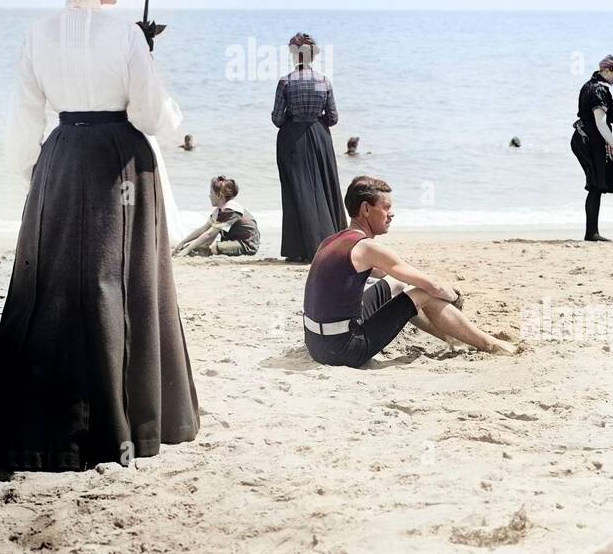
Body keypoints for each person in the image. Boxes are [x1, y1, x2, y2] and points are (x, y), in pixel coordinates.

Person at [0, 0, 199, 472]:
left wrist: (36, 175)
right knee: (122, 282)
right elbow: (152, 116)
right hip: (118, 158)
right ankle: (126, 424)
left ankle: (45, 424)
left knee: (53, 289)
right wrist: (156, 81)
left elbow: (25, 118)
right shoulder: (126, 33)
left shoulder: (38, 33)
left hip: (62, 156)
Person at [302, 176, 518, 368]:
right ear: (366, 209)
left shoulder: (331, 240)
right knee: (423, 292)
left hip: (316, 343)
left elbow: (392, 275)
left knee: (397, 284)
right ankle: (490, 344)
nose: (391, 214)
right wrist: (453, 297)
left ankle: (454, 338)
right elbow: (430, 286)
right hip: (344, 351)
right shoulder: (367, 247)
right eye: (386, 207)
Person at [273, 32, 346, 262]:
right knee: (324, 189)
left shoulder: (286, 82)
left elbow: (277, 118)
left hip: (292, 137)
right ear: (313, 55)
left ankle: (299, 250)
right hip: (319, 137)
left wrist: (293, 119)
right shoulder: (324, 81)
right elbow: (333, 117)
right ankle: (330, 244)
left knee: (296, 192)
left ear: (295, 54)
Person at [570, 55, 613, 241]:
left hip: (584, 138)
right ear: (606, 70)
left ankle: (592, 231)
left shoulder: (591, 85)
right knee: (595, 185)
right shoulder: (598, 90)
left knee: (595, 185)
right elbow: (601, 123)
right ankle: (592, 233)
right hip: (589, 140)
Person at [173, 176, 260, 257]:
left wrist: (188, 249)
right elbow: (203, 229)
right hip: (233, 240)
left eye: (211, 193)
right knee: (198, 245)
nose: (209, 196)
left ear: (219, 195)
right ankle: (200, 250)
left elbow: (209, 233)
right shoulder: (220, 210)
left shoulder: (230, 210)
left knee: (214, 247)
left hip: (246, 244)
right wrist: (183, 242)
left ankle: (204, 251)